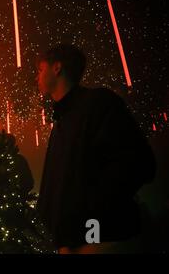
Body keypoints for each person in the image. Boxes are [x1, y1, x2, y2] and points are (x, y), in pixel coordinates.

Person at [35, 44, 156, 253]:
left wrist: (92, 228)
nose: (37, 77)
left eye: (40, 69)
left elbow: (138, 162)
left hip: (99, 239)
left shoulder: (98, 104)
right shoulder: (62, 121)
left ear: (57, 68)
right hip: (75, 241)